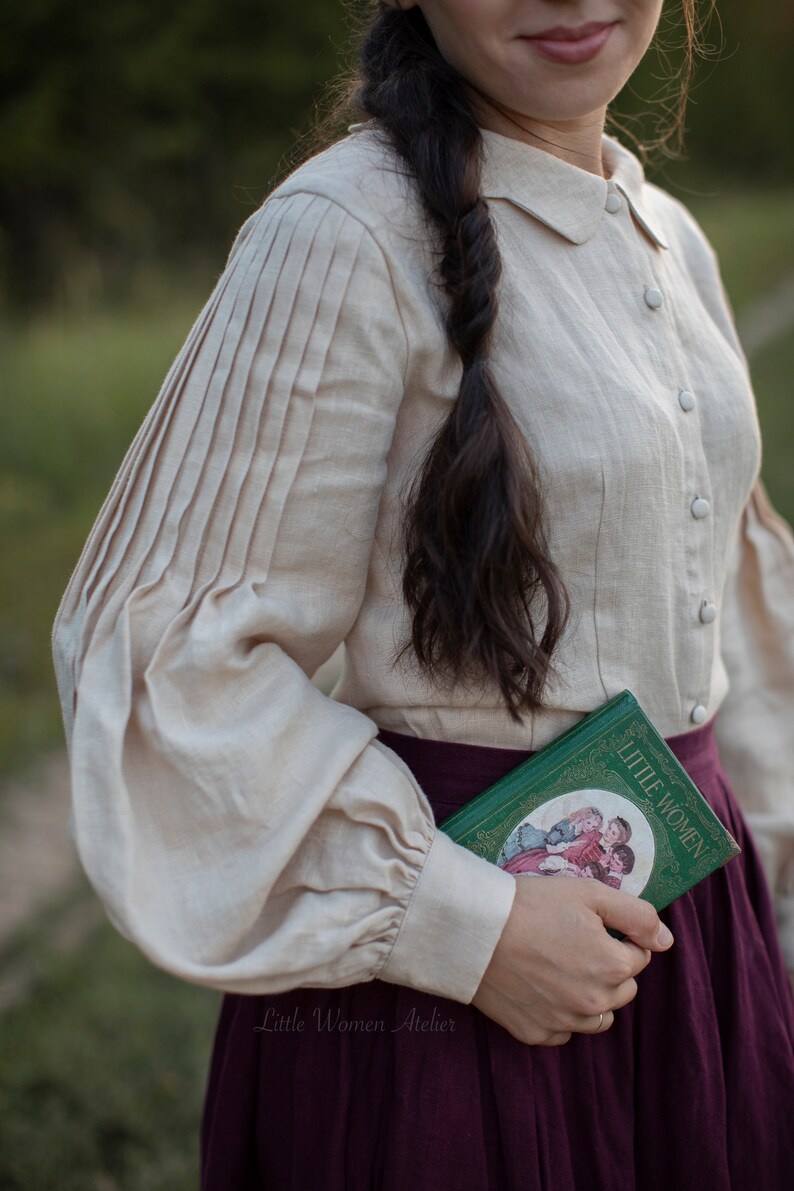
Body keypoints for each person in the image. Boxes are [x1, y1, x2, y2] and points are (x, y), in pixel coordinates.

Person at [50, 1, 794, 1188]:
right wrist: (462, 927)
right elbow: (168, 660)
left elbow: (718, 621)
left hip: (689, 950)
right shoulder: (339, 232)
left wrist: (767, 890)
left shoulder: (665, 232)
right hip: (448, 999)